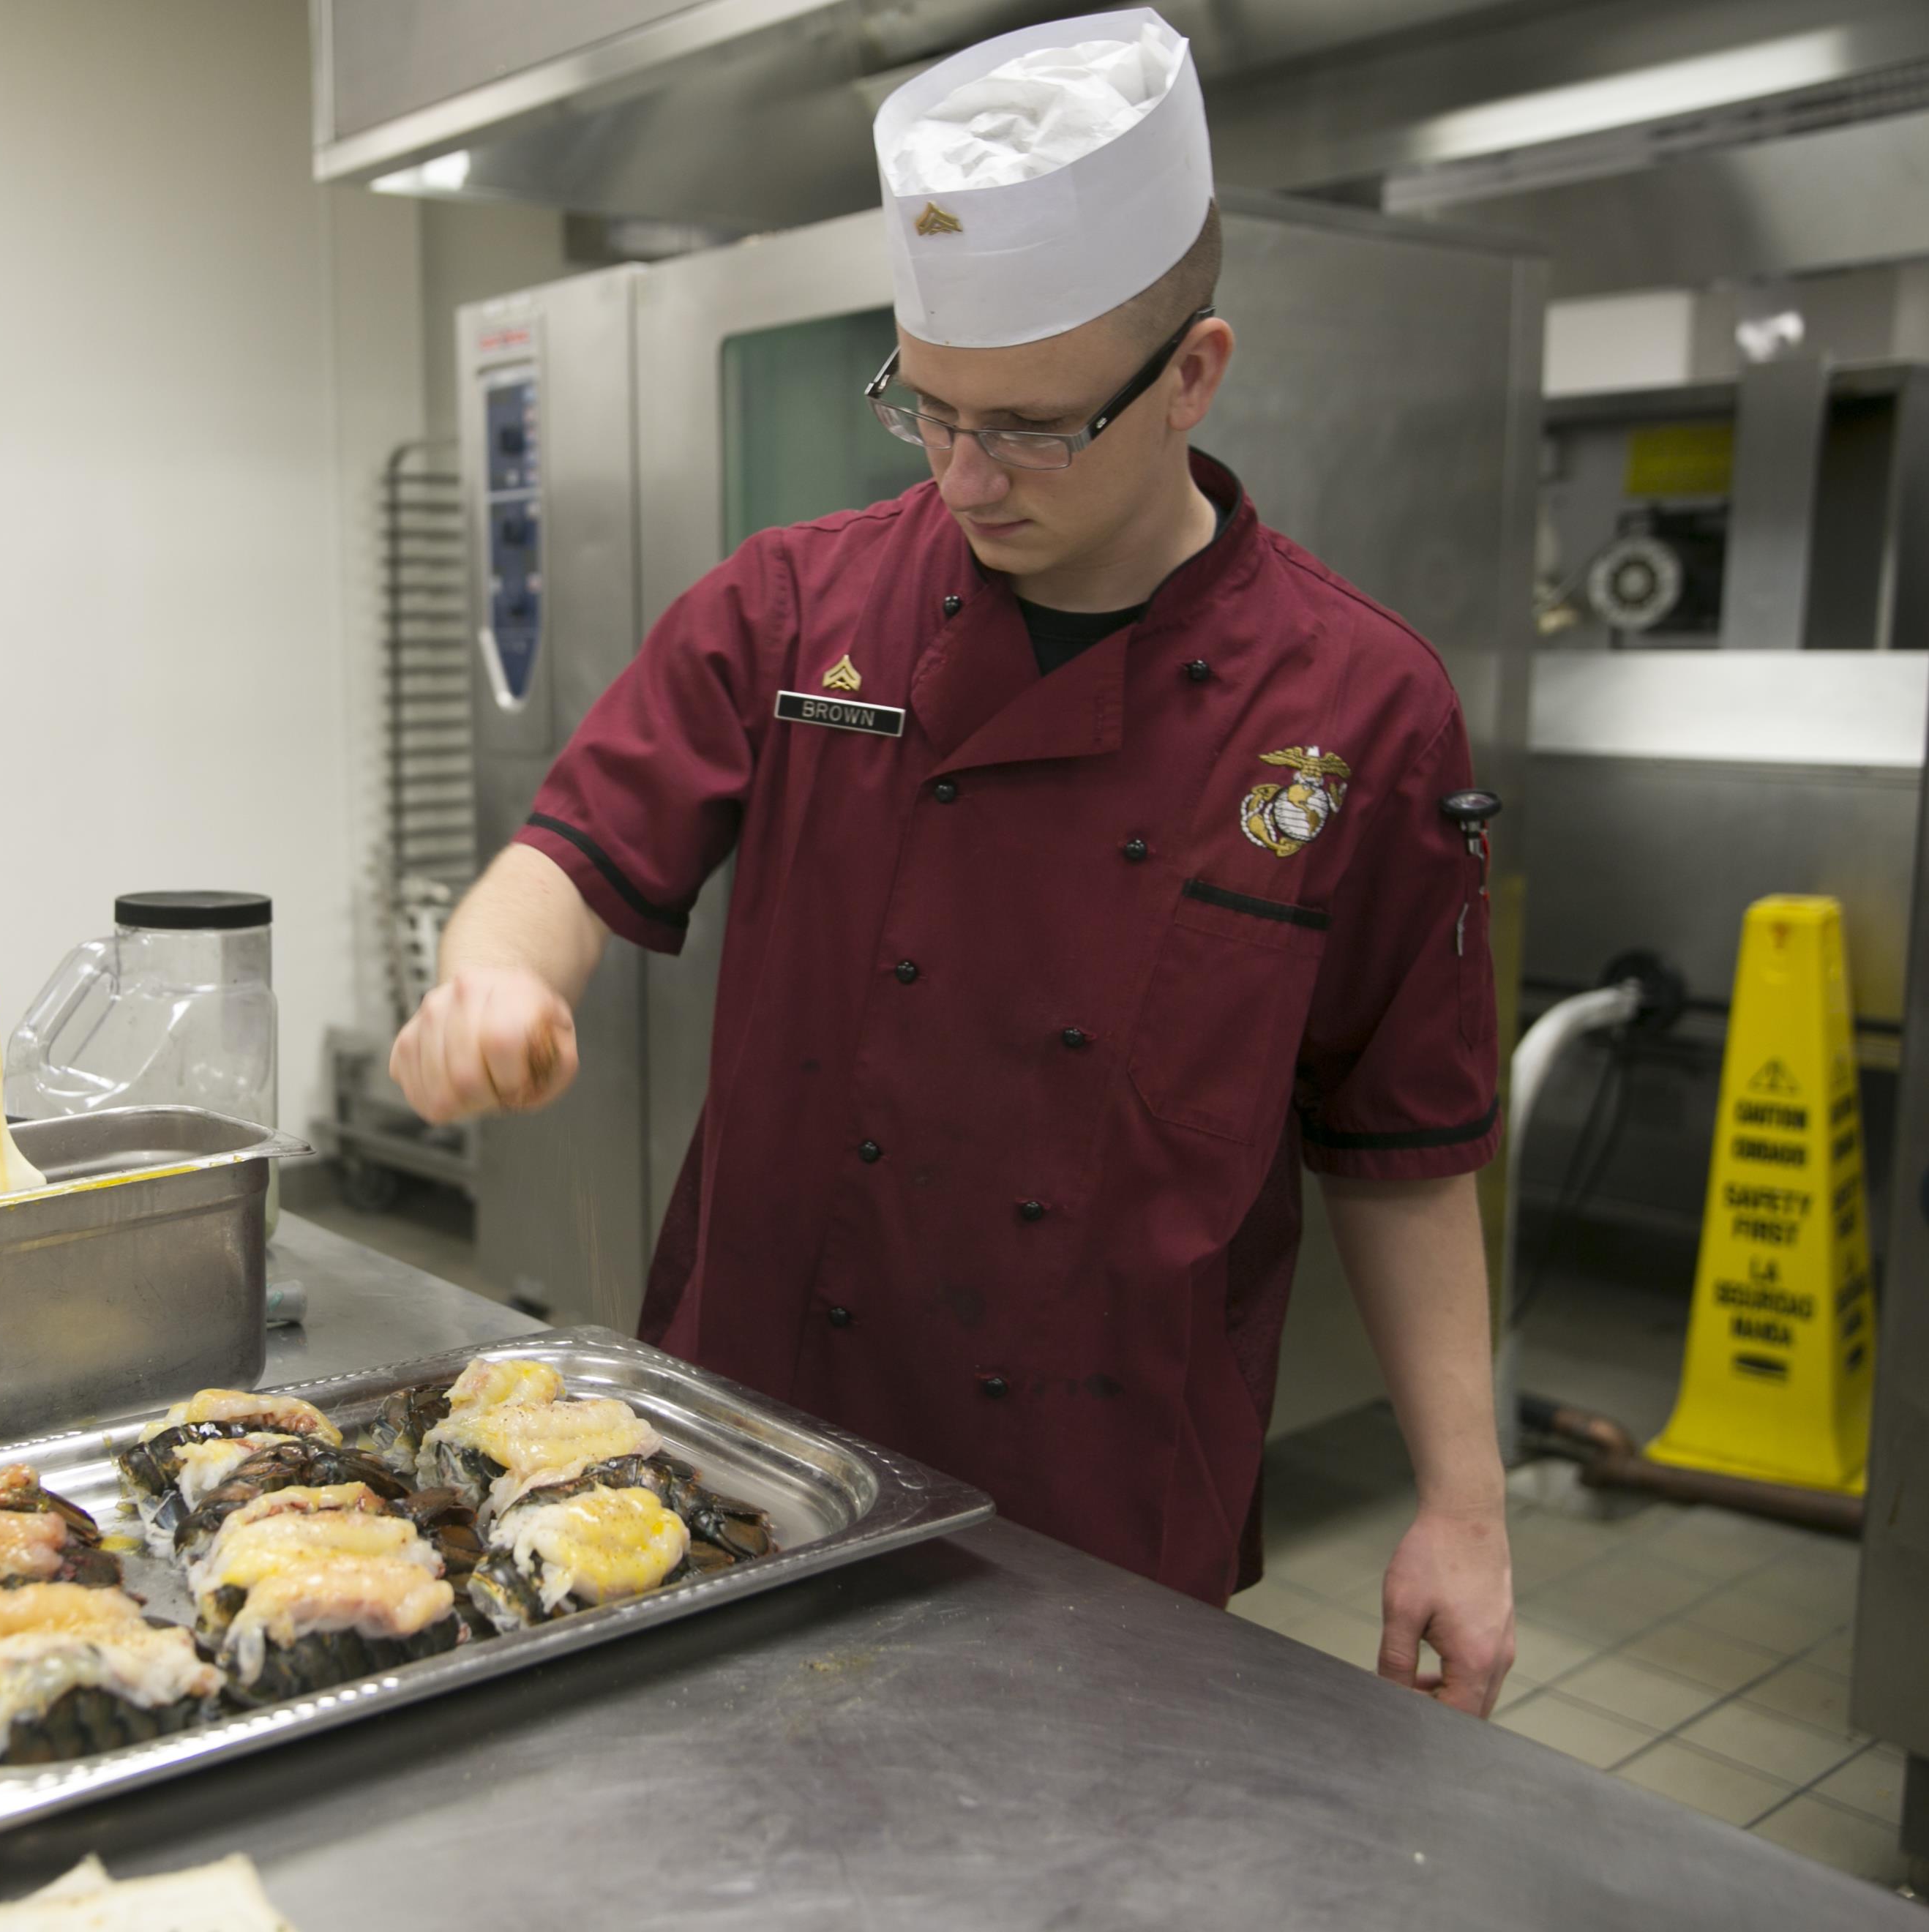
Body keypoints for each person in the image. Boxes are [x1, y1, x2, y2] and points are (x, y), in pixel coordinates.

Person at [391, 9, 1516, 1715]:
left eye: (1027, 427)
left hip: (1103, 1500)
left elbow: (1399, 1146)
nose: (962, 475)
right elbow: (569, 848)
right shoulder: (795, 608)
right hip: (744, 1444)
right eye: (926, 409)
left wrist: (1461, 1501)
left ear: (1189, 375)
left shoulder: (1357, 711)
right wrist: (491, 977)